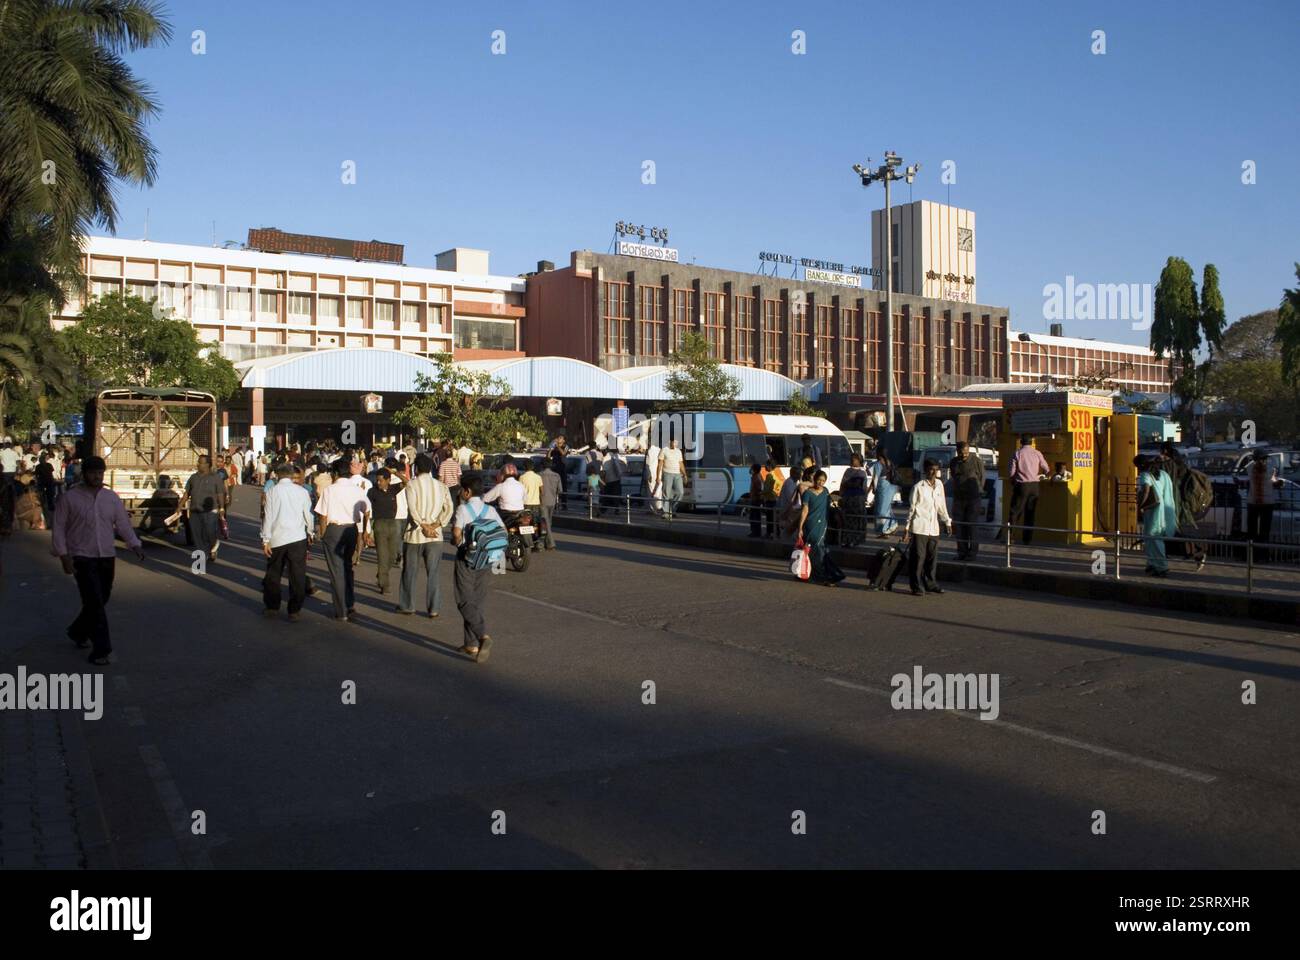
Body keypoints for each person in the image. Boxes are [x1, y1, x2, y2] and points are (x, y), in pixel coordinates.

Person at [51, 456, 145, 665]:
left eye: (100, 473)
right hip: (81, 556)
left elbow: (122, 523)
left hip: (106, 556)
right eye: (93, 473)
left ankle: (77, 631)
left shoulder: (111, 498)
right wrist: (63, 556)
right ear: (84, 474)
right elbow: (58, 528)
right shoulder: (70, 498)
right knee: (94, 603)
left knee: (102, 598)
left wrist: (134, 543)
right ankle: (101, 650)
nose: (97, 476)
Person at [314, 458, 372, 622]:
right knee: (347, 567)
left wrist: (324, 535)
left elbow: (323, 516)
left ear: (335, 473)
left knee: (336, 571)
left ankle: (341, 611)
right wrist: (366, 530)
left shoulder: (330, 490)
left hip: (334, 529)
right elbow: (367, 511)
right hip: (352, 530)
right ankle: (350, 603)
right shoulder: (356, 490)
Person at [451, 476, 499, 663]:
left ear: (467, 492)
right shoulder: (491, 510)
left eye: (462, 490)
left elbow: (456, 535)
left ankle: (482, 636)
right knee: (476, 601)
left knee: (464, 600)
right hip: (486, 558)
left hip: (467, 558)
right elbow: (500, 530)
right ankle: (470, 643)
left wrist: (457, 541)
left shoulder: (463, 509)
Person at [399, 453, 454, 617]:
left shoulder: (412, 485)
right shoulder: (441, 486)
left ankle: (408, 605)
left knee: (410, 571)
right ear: (431, 468)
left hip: (414, 535)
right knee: (434, 573)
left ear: (416, 468)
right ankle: (434, 608)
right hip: (435, 536)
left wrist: (423, 525)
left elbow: (412, 508)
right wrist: (435, 525)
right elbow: (449, 509)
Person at [261, 462, 314, 621]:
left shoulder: (272, 492)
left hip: (277, 539)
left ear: (277, 475)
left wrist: (266, 539)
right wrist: (310, 532)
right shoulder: (302, 492)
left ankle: (272, 607)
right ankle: (294, 610)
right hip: (297, 537)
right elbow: (308, 515)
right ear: (292, 475)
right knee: (297, 574)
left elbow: (268, 517)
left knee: (273, 574)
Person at [904, 458, 952, 596]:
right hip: (920, 527)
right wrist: (907, 529)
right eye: (931, 469)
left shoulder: (939, 485)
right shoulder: (918, 487)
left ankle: (930, 583)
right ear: (925, 470)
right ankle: (916, 586)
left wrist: (947, 521)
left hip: (933, 527)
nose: (934, 472)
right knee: (918, 558)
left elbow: (941, 506)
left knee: (932, 558)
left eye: (936, 469)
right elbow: (912, 509)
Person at [797, 469, 843, 586]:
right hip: (810, 525)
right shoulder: (807, 493)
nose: (821, 483)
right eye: (819, 480)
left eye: (823, 481)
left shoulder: (826, 491)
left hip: (822, 524)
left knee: (819, 550)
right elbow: (804, 511)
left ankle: (822, 575)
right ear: (815, 479)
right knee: (817, 551)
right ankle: (824, 576)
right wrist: (800, 527)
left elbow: (829, 506)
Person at [180, 454, 227, 563]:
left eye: (200, 462)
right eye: (198, 462)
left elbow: (220, 494)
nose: (198, 464)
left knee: (209, 531)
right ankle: (203, 554)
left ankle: (214, 544)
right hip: (195, 510)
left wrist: (222, 508)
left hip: (210, 511)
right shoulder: (193, 477)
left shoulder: (215, 477)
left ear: (207, 464)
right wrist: (179, 506)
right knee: (197, 534)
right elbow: (187, 493)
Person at [367, 469, 403, 595]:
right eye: (377, 480)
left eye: (381, 480)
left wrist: (395, 473)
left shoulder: (394, 489)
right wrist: (368, 530)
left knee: (392, 556)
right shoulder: (372, 492)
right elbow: (367, 510)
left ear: (388, 480)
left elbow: (407, 482)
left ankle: (381, 574)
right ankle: (384, 584)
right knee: (382, 556)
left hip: (393, 524)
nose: (378, 482)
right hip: (379, 525)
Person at [1007, 435, 1049, 544]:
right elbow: (1046, 469)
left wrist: (1012, 479)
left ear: (1021, 442)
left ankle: (1010, 537)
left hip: (1022, 485)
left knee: (1015, 512)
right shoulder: (1037, 453)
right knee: (1030, 513)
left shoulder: (1017, 453)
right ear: (1031, 442)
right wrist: (1041, 474)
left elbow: (1011, 472)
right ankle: (1027, 539)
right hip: (1035, 486)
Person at [948, 441, 985, 561]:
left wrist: (977, 491)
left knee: (971, 526)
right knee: (960, 526)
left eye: (966, 452)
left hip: (973, 499)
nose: (964, 455)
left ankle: (972, 553)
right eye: (961, 453)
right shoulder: (953, 462)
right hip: (959, 498)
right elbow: (954, 476)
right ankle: (961, 552)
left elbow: (982, 477)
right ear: (957, 451)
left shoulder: (976, 461)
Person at [1136, 455, 1171, 577]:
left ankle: (1161, 566)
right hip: (1160, 508)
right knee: (1153, 536)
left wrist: (1140, 505)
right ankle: (1152, 563)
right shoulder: (1159, 474)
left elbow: (1145, 491)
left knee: (1153, 537)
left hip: (1152, 509)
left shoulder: (1145, 475)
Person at [1244, 450, 1281, 548]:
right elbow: (1274, 481)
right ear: (1264, 459)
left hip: (1253, 501)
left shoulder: (1250, 468)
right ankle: (1263, 554)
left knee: (1252, 530)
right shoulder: (1270, 469)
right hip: (1267, 502)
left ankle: (1252, 554)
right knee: (1265, 530)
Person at [868, 449, 899, 536]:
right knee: (887, 509)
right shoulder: (890, 463)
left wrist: (874, 489)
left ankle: (886, 528)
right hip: (891, 487)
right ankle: (889, 527)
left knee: (880, 510)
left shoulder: (878, 464)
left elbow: (875, 478)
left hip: (882, 487)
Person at [840, 454, 868, 547]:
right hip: (848, 499)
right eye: (852, 459)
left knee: (856, 520)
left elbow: (864, 487)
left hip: (858, 499)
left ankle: (854, 540)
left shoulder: (863, 472)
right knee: (847, 520)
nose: (852, 461)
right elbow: (842, 484)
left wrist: (864, 498)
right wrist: (841, 496)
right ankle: (846, 540)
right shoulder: (847, 471)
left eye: (855, 460)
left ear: (859, 461)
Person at [520, 459, 544, 551]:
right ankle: (536, 542)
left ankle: (527, 542)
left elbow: (520, 491)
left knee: (525, 524)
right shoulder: (538, 477)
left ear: (524, 467)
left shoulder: (522, 477)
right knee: (535, 523)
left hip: (525, 504)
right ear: (533, 467)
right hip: (536, 504)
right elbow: (542, 490)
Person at [659, 439, 685, 519]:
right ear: (670, 442)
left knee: (680, 492)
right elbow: (660, 463)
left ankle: (673, 509)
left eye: (677, 442)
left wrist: (685, 474)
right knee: (666, 493)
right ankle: (666, 513)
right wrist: (658, 476)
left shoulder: (678, 451)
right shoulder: (664, 450)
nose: (675, 444)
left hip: (677, 474)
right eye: (674, 442)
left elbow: (681, 463)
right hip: (667, 473)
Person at [538, 458, 561, 550]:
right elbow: (560, 490)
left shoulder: (539, 475)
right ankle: (545, 543)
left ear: (542, 465)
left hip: (542, 501)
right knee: (548, 522)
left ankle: (550, 543)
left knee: (545, 522)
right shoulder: (557, 475)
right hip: (552, 501)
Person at [760, 458, 783, 539]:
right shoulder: (775, 475)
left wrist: (761, 493)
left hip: (770, 500)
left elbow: (767, 489)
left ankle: (769, 533)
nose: (765, 466)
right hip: (776, 499)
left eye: (766, 465)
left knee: (769, 518)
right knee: (775, 519)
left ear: (769, 466)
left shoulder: (769, 475)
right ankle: (777, 533)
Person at [550, 437, 570, 511]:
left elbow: (563, 453)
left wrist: (558, 446)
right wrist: (551, 448)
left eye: (560, 438)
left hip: (562, 469)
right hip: (555, 469)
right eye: (558, 438)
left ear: (564, 440)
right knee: (554, 487)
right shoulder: (554, 448)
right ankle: (555, 504)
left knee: (563, 487)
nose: (558, 439)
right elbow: (549, 456)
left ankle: (564, 505)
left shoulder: (566, 446)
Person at [747, 462, 765, 537]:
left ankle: (756, 533)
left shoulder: (756, 478)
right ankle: (755, 532)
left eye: (751, 468)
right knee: (754, 516)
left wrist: (757, 498)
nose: (750, 470)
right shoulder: (755, 476)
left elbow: (759, 489)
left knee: (754, 517)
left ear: (754, 470)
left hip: (756, 500)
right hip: (754, 499)